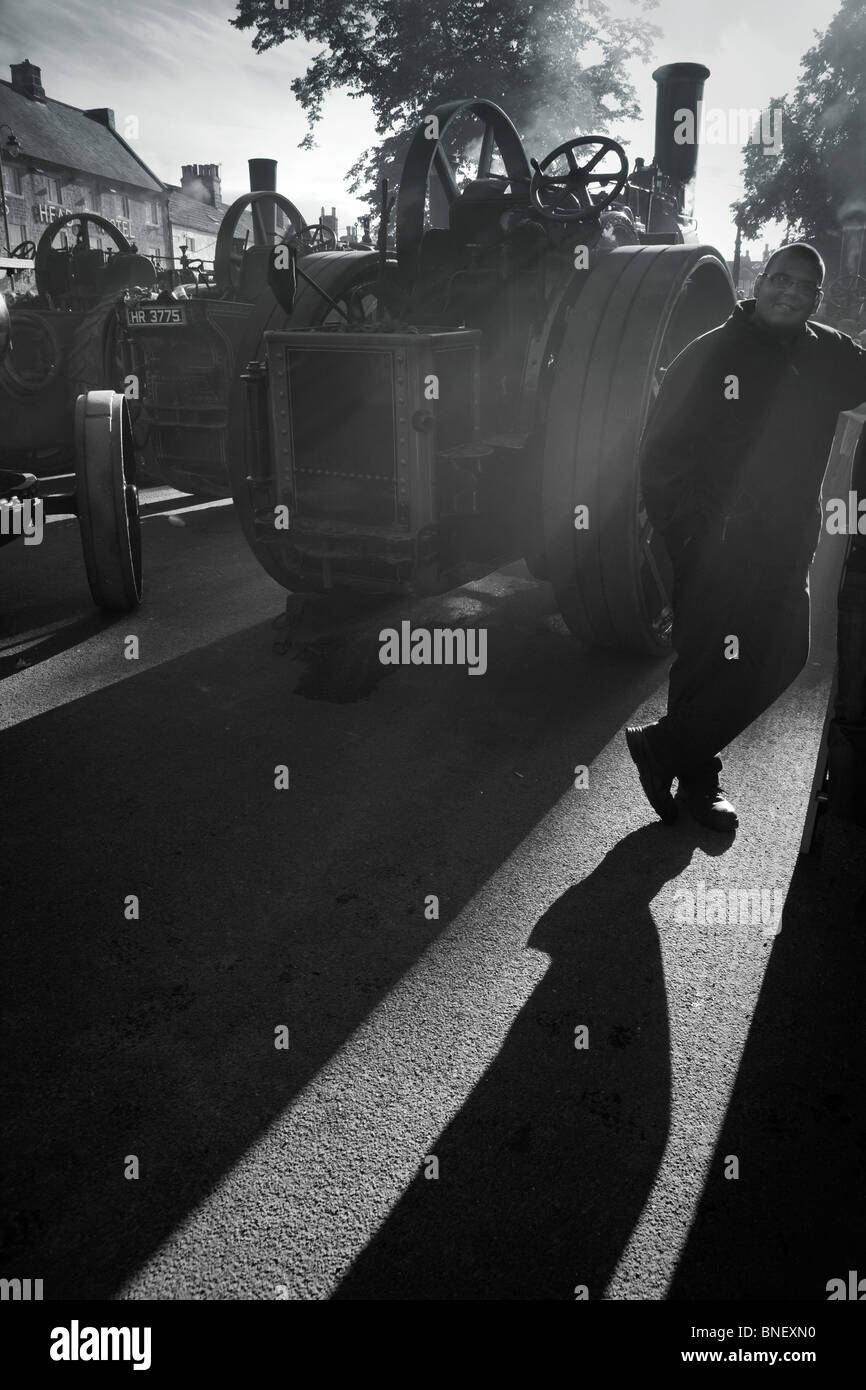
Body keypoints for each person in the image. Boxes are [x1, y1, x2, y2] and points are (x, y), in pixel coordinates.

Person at [626, 242, 866, 831]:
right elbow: (658, 457)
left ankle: (666, 747)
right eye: (780, 278)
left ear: (817, 296)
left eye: (805, 286)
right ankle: (698, 783)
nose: (790, 291)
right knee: (708, 663)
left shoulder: (829, 355)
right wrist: (688, 535)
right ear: (759, 281)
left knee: (784, 655)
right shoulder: (710, 354)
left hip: (786, 543)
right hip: (715, 547)